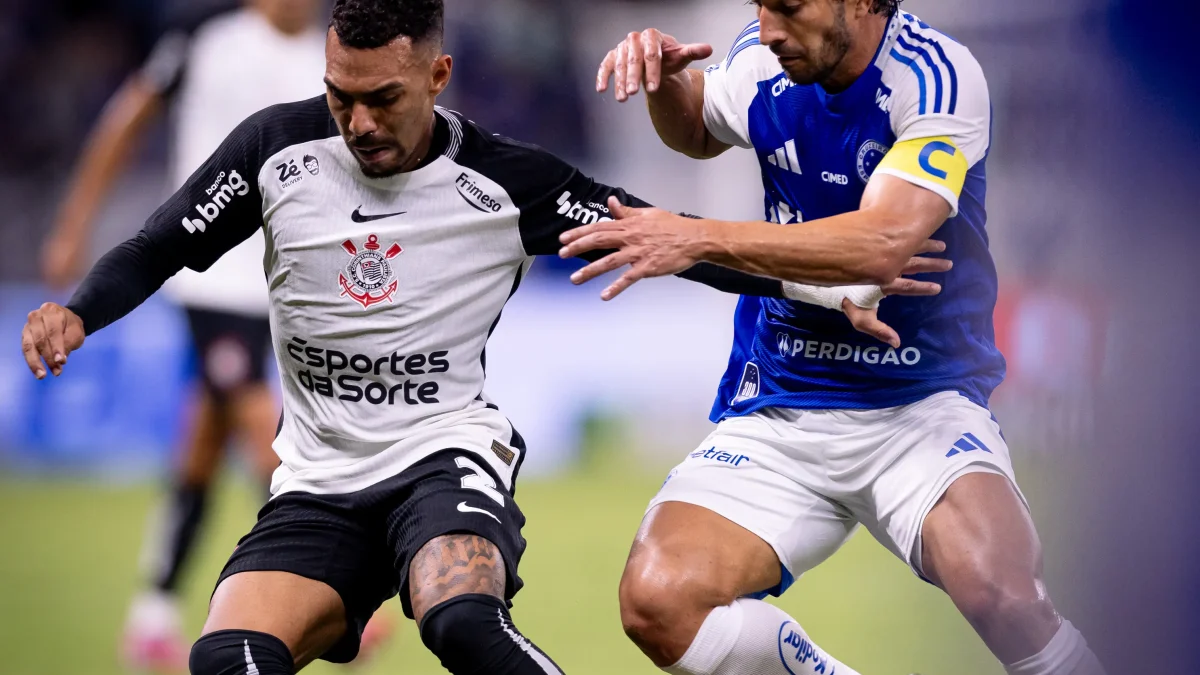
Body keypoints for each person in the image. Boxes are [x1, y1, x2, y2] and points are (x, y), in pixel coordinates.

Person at [17, 0, 945, 672]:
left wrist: (822, 286)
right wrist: (79, 310)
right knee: (225, 658)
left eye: (383, 98)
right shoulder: (274, 150)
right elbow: (160, 243)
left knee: (459, 620)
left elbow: (662, 236)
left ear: (438, 75)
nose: (358, 123)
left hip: (443, 460)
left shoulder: (505, 181)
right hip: (319, 482)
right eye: (340, 97)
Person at [577, 1, 1108, 674]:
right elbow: (699, 129)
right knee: (657, 601)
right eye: (760, 6)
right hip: (782, 400)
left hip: (919, 404)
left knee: (1007, 599)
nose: (769, 29)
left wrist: (694, 236)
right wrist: (666, 84)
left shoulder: (936, 77)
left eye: (789, 8)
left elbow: (882, 244)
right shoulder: (763, 57)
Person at [38, 0, 334, 669]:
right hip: (211, 276)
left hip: (287, 281)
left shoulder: (332, 55)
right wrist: (74, 223)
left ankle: (152, 612)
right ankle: (321, 575)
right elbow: (127, 119)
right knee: (259, 421)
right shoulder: (204, 36)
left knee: (204, 438)